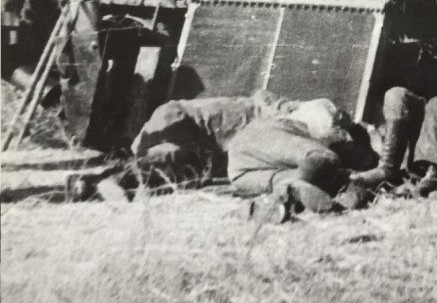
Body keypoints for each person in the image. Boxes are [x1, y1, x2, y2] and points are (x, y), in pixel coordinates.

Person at [66, 95, 281, 202]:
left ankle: (95, 183)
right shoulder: (262, 113)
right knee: (172, 159)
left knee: (173, 164)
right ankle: (106, 182)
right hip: (190, 126)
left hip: (199, 135)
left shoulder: (258, 110)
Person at [227, 98, 378, 216]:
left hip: (244, 172)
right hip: (260, 137)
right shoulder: (322, 111)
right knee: (324, 157)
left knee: (306, 179)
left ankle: (272, 205)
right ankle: (281, 197)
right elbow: (324, 135)